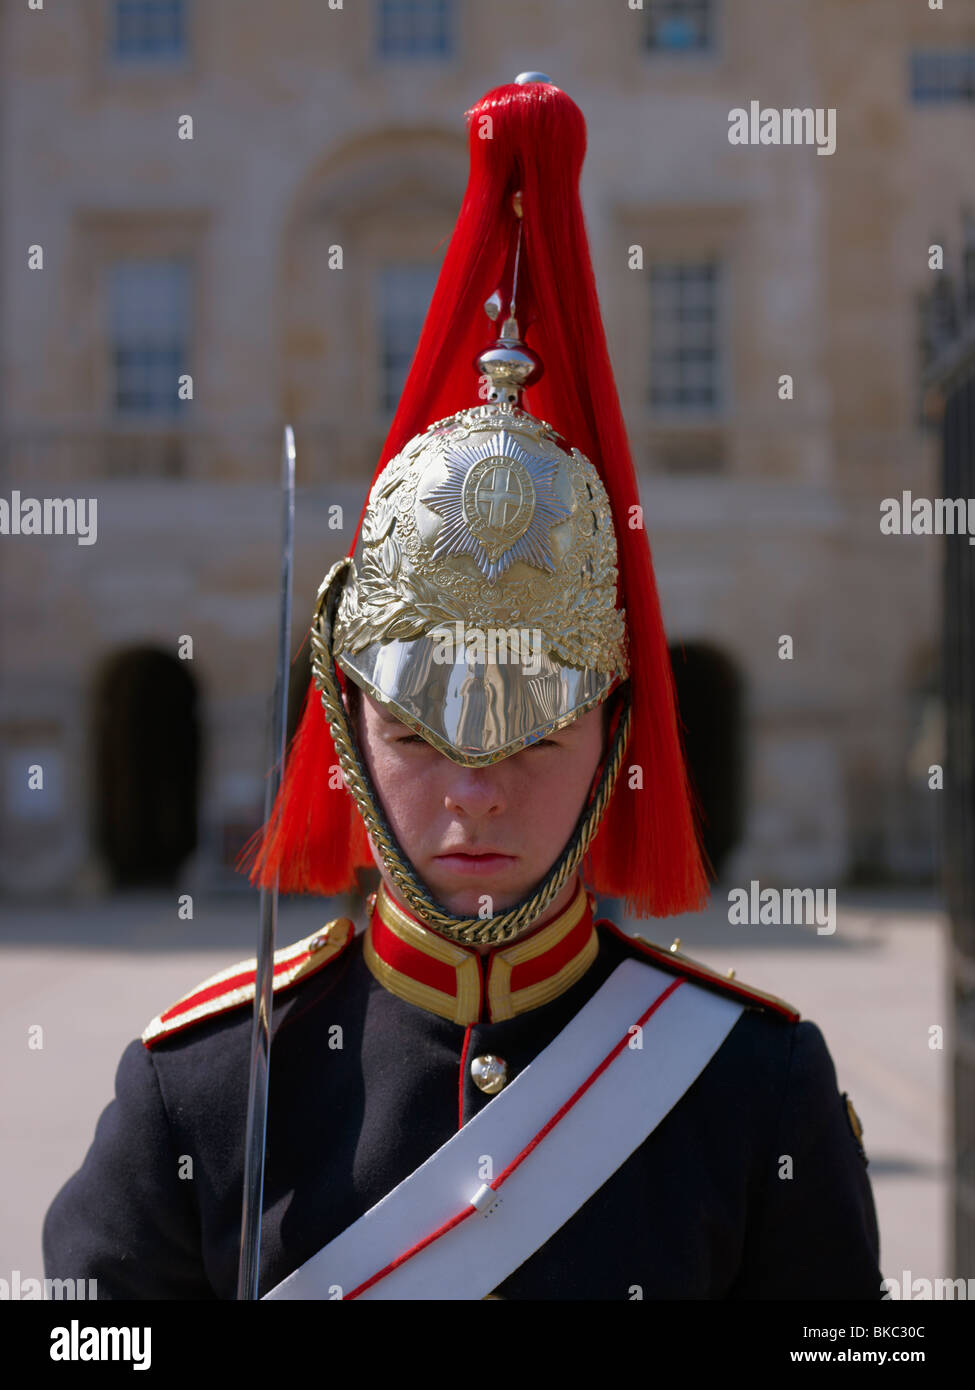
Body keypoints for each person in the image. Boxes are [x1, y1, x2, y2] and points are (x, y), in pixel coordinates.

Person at [43, 76, 882, 1301]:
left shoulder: (757, 1089)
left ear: (613, 732)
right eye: (423, 730)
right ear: (347, 722)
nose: (475, 793)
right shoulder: (200, 1091)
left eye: (535, 733)